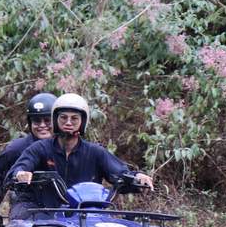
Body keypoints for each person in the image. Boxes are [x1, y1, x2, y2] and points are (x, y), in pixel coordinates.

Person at [9, 93, 152, 218]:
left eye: (74, 118)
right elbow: (20, 168)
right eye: (63, 118)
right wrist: (21, 174)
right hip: (44, 213)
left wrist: (137, 177)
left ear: (82, 122)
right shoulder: (40, 148)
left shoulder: (95, 152)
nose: (68, 122)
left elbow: (120, 173)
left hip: (86, 215)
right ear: (55, 120)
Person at [0, 92, 57, 221]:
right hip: (26, 204)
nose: (42, 125)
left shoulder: (67, 147)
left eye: (47, 120)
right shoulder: (17, 148)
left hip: (62, 204)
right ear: (30, 123)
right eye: (37, 121)